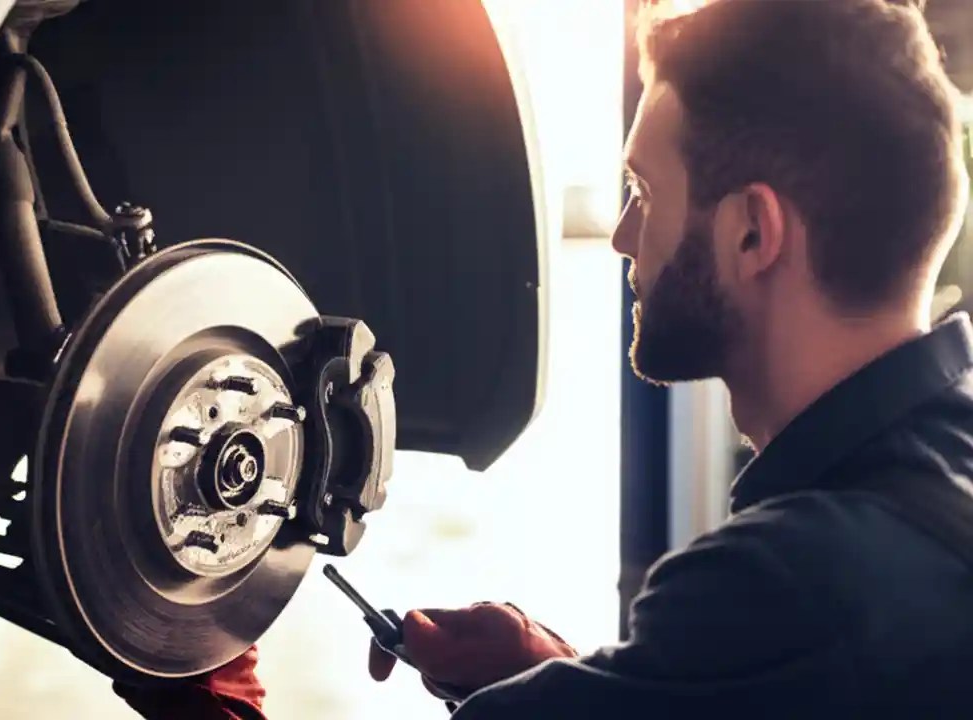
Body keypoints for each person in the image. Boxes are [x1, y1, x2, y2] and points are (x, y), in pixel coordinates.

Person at [116, 0, 973, 716]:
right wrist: (565, 678)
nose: (624, 239)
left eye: (642, 192)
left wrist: (206, 680)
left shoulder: (785, 588)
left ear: (752, 232)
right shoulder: (919, 508)